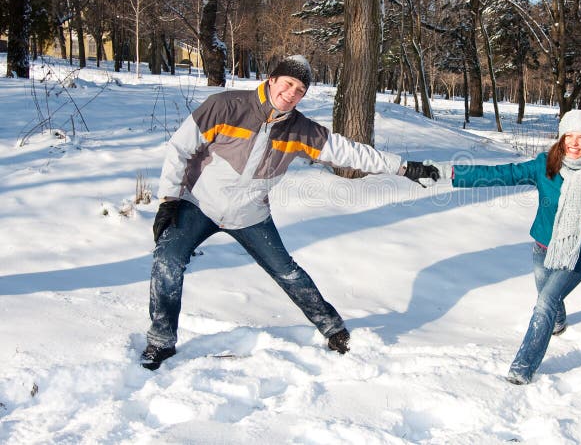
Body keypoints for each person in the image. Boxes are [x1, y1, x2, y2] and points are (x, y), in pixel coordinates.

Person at [141, 55, 440, 370]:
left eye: (299, 89)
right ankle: (160, 343)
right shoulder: (226, 106)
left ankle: (333, 328)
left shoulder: (300, 130)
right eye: (287, 83)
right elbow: (179, 148)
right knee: (167, 259)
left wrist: (404, 167)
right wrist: (168, 200)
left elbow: (349, 152)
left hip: (250, 214)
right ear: (272, 80)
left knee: (288, 272)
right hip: (199, 204)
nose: (291, 93)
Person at [434, 109, 581, 384]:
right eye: (569, 136)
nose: (575, 143)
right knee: (550, 300)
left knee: (544, 302)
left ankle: (523, 367)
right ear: (561, 137)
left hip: (579, 254)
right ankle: (557, 323)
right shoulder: (545, 165)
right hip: (543, 249)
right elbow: (502, 174)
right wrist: (451, 173)